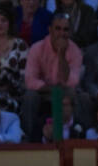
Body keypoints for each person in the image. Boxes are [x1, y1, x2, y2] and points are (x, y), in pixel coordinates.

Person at [22, 12, 84, 140]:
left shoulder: (75, 51)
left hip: (64, 91)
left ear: (70, 32)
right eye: (58, 28)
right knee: (29, 96)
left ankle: (78, 136)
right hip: (44, 91)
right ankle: (28, 139)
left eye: (66, 29)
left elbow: (72, 81)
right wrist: (50, 88)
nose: (62, 33)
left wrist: (62, 55)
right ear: (50, 30)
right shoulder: (37, 48)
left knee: (78, 95)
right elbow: (30, 80)